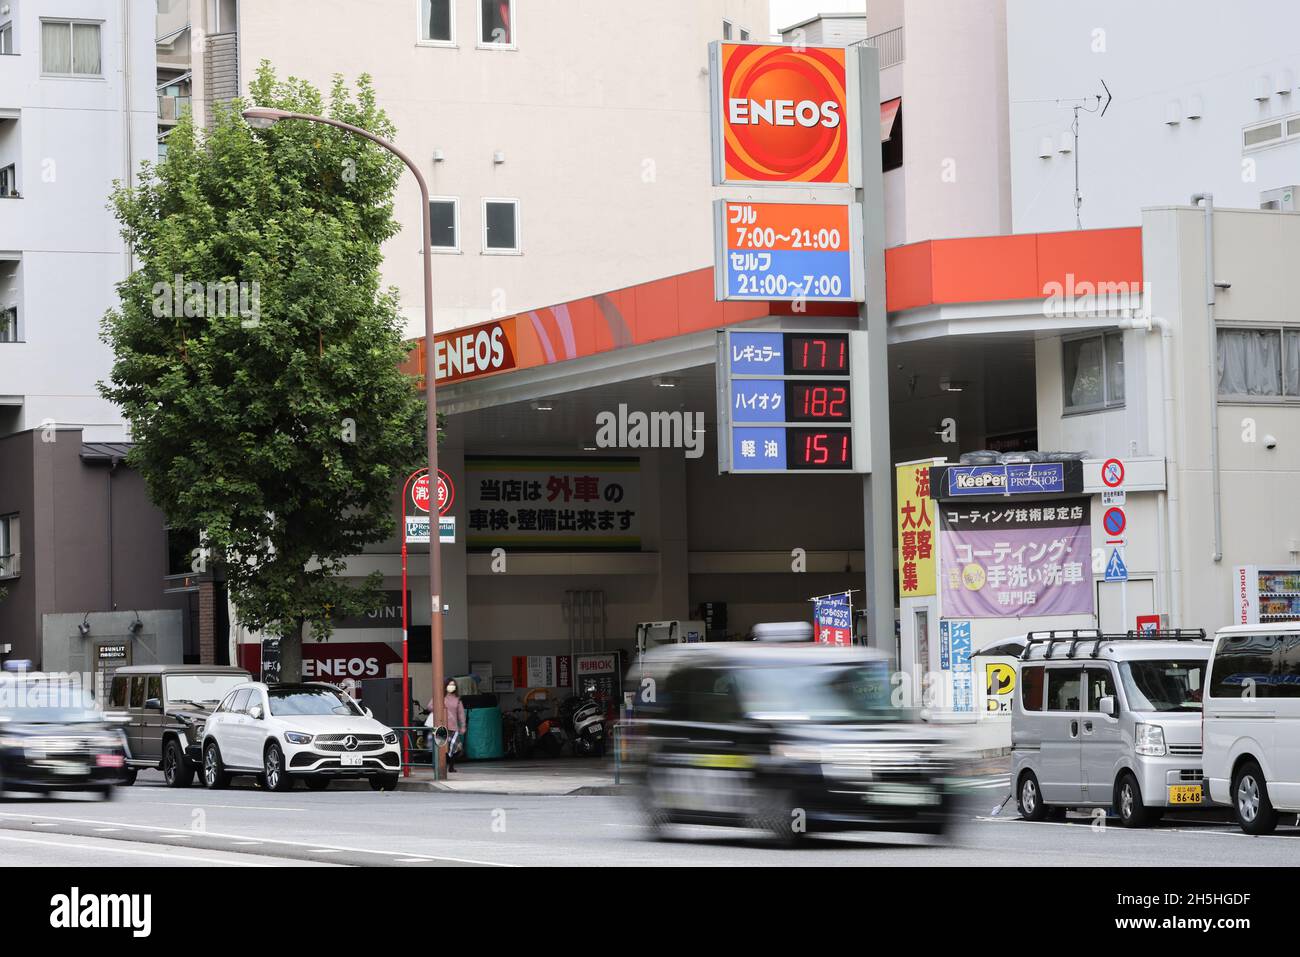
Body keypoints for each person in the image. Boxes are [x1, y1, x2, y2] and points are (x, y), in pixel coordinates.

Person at [430, 679, 467, 773]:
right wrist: (440, 708)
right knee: (440, 747)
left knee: (455, 748)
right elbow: (430, 706)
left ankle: (451, 766)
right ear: (445, 686)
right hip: (441, 727)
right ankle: (440, 766)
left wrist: (463, 726)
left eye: (453, 685)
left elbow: (461, 714)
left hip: (453, 727)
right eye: (450, 685)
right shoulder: (440, 697)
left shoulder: (457, 699)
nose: (451, 686)